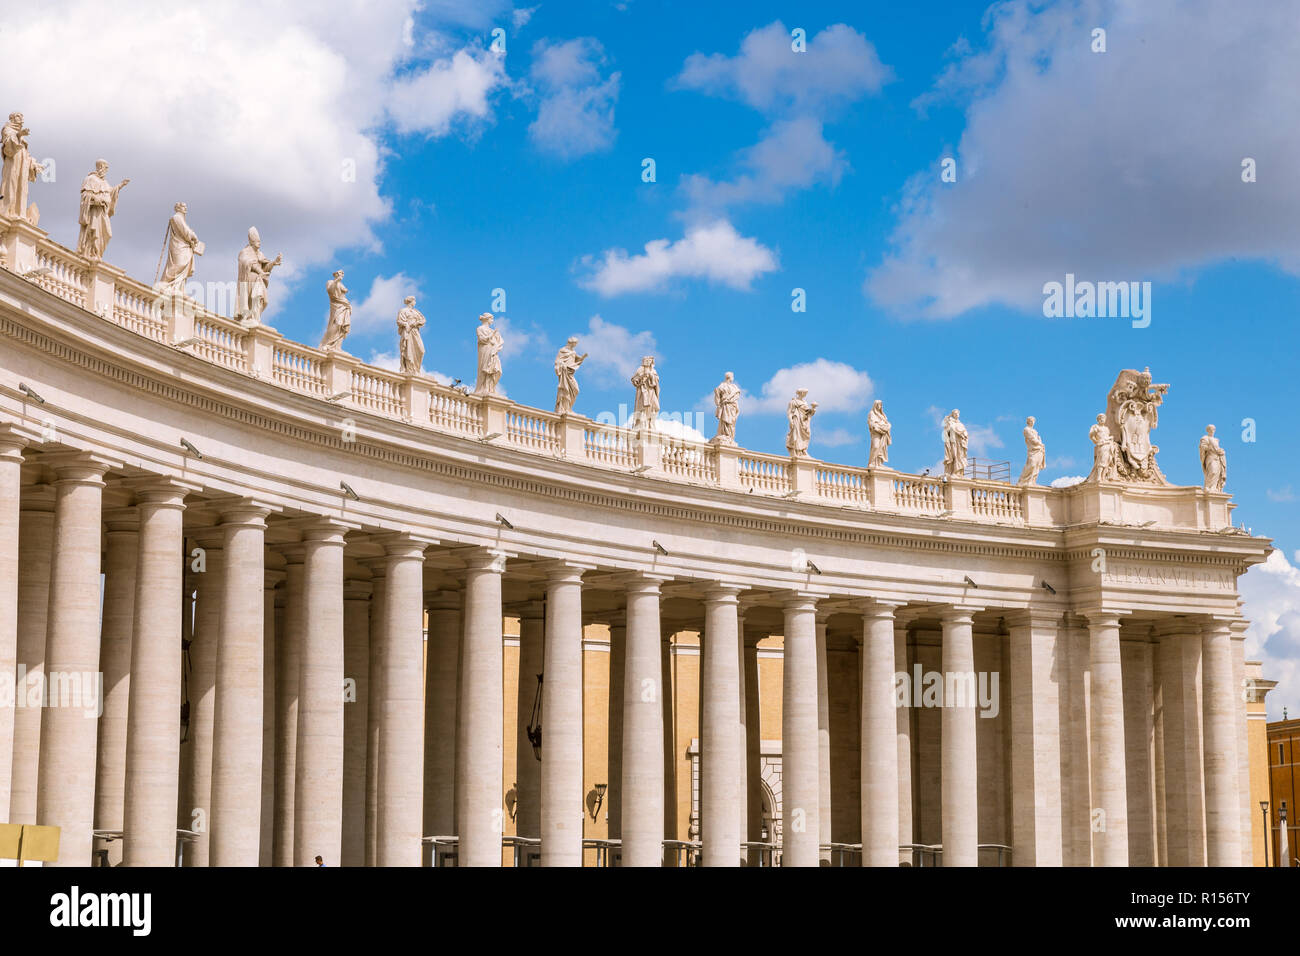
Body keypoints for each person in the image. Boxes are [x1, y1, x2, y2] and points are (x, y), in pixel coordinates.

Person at [76, 159, 129, 260]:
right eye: (106, 167)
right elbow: (85, 195)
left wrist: (120, 186)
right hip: (94, 212)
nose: (107, 169)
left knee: (107, 233)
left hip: (102, 212)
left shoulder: (105, 183)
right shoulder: (90, 179)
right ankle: (91, 253)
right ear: (100, 167)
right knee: (93, 231)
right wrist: (95, 199)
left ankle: (96, 253)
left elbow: (110, 192)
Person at [156, 202, 202, 296]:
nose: (185, 208)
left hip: (184, 246)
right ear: (178, 208)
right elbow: (185, 231)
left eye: (185, 207)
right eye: (183, 207)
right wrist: (193, 236)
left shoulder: (181, 219)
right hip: (179, 246)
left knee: (182, 267)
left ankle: (178, 288)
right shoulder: (176, 218)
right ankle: (165, 284)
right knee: (179, 264)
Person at [554, 336, 587, 414]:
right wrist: (562, 365)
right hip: (565, 373)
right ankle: (565, 409)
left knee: (575, 390)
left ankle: (568, 408)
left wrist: (583, 357)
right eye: (575, 343)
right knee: (565, 390)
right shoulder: (562, 350)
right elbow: (557, 361)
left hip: (570, 373)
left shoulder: (573, 352)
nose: (575, 345)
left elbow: (577, 359)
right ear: (571, 343)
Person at [320, 270, 352, 351]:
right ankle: (329, 344)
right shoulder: (330, 282)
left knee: (342, 327)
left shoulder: (341, 285)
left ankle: (337, 346)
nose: (342, 274)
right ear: (335, 274)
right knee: (337, 323)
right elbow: (330, 291)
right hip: (336, 305)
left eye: (343, 273)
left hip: (344, 305)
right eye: (340, 272)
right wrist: (337, 280)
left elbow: (344, 291)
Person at [475, 313, 504, 394]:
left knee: (496, 370)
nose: (492, 321)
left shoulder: (492, 330)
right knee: (485, 368)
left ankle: (491, 388)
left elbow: (500, 341)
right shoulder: (480, 328)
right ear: (487, 319)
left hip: (493, 350)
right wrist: (492, 334)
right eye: (491, 319)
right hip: (485, 349)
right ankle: (484, 388)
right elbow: (482, 340)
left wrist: (497, 340)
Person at [397, 296, 426, 374]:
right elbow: (399, 321)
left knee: (421, 350)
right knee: (408, 350)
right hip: (408, 331)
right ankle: (410, 369)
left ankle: (416, 369)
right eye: (414, 300)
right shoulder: (403, 311)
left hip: (415, 331)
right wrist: (406, 324)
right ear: (411, 301)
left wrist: (415, 323)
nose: (415, 302)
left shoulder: (416, 312)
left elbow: (423, 320)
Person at [630, 356, 659, 430]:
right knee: (643, 407)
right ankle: (643, 423)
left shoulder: (653, 370)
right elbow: (634, 379)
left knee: (656, 407)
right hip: (643, 391)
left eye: (649, 360)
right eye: (647, 360)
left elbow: (656, 380)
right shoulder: (640, 369)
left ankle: (651, 423)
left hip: (651, 391)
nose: (648, 362)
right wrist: (640, 379)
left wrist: (651, 376)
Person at [785, 388, 816, 457]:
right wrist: (790, 420)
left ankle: (803, 449)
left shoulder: (805, 402)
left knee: (807, 434)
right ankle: (796, 450)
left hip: (804, 421)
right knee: (796, 434)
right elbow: (789, 412)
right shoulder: (793, 402)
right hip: (797, 419)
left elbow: (808, 413)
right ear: (801, 393)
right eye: (805, 393)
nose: (805, 395)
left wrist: (813, 409)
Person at [713, 372, 741, 443]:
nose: (733, 378)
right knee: (725, 422)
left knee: (731, 423)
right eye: (733, 376)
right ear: (730, 377)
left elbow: (736, 396)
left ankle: (729, 437)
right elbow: (717, 397)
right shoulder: (722, 386)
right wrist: (719, 403)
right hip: (726, 406)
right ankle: (725, 435)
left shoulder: (734, 387)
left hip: (732, 407)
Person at [1018, 416, 1046, 485]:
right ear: (1028, 421)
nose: (1032, 422)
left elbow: (1037, 439)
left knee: (1037, 465)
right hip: (1032, 450)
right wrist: (1040, 443)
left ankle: (1032, 481)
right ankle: (1023, 480)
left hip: (1038, 449)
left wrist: (1040, 442)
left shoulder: (1035, 431)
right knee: (1032, 464)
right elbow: (1031, 438)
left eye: (1033, 421)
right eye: (1031, 420)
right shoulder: (1026, 429)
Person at [942, 409, 968, 477]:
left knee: (959, 457)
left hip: (960, 444)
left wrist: (963, 435)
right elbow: (946, 430)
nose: (956, 415)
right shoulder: (950, 423)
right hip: (953, 442)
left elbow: (965, 434)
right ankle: (953, 471)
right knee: (953, 456)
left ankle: (957, 472)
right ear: (952, 415)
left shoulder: (961, 424)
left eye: (957, 413)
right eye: (954, 413)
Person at [867, 399, 891, 468]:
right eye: (877, 404)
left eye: (880, 405)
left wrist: (887, 426)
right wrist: (878, 427)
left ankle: (879, 463)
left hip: (883, 434)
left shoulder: (883, 415)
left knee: (882, 448)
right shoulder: (872, 413)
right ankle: (872, 462)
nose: (879, 406)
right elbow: (871, 423)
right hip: (876, 433)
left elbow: (887, 423)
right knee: (876, 446)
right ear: (875, 405)